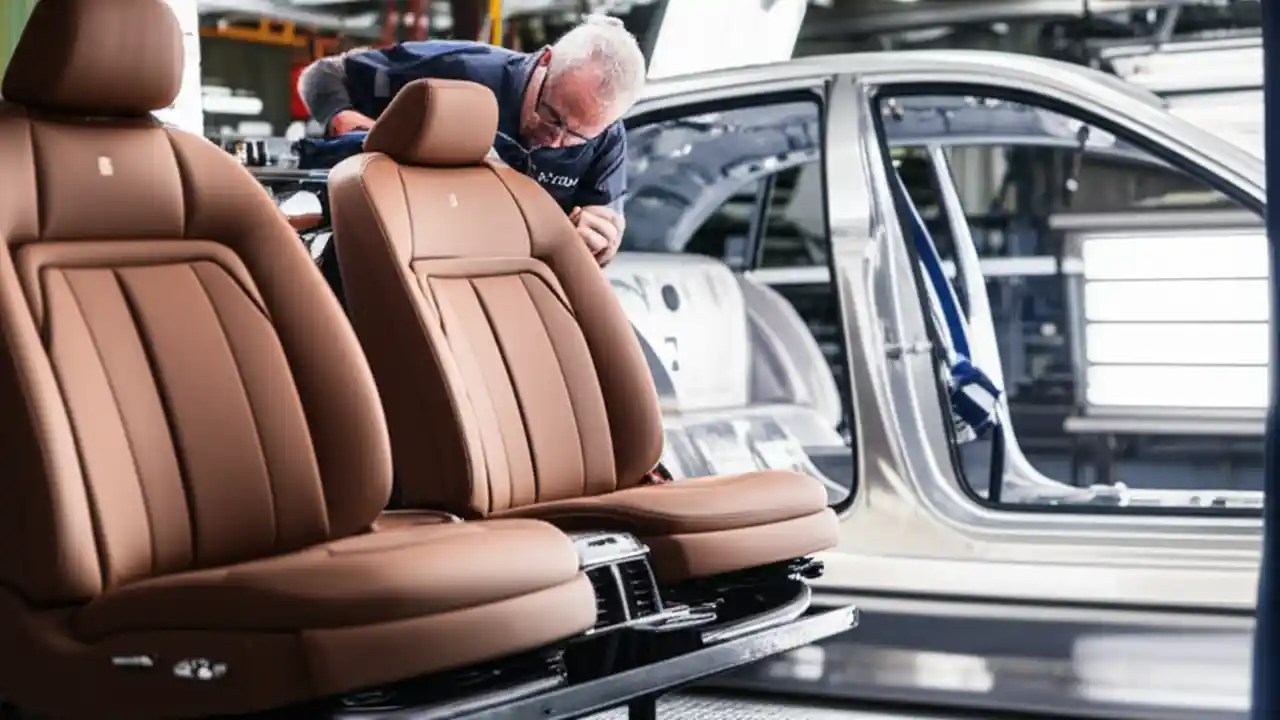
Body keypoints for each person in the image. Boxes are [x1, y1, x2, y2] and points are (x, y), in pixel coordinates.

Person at [297, 15, 646, 266]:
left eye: (577, 137)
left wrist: (601, 241)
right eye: (551, 116)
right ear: (544, 61)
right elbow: (323, 76)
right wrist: (341, 116)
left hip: (500, 275)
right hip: (395, 246)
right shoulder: (459, 70)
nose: (555, 141)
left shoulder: (606, 139)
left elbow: (602, 221)